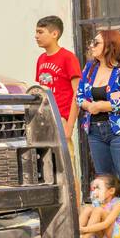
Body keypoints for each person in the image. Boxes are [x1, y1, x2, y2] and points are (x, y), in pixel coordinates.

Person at [77, 29, 120, 238]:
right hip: (96, 131)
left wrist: (100, 105)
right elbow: (79, 95)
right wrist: (90, 105)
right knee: (104, 182)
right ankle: (110, 230)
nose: (91, 45)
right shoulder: (90, 68)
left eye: (96, 42)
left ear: (109, 45)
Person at [34, 16, 82, 145]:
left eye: (40, 32)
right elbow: (42, 91)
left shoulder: (68, 58)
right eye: (36, 32)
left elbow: (78, 93)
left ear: (54, 34)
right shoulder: (41, 59)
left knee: (65, 162)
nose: (36, 36)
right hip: (44, 119)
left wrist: (69, 126)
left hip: (61, 119)